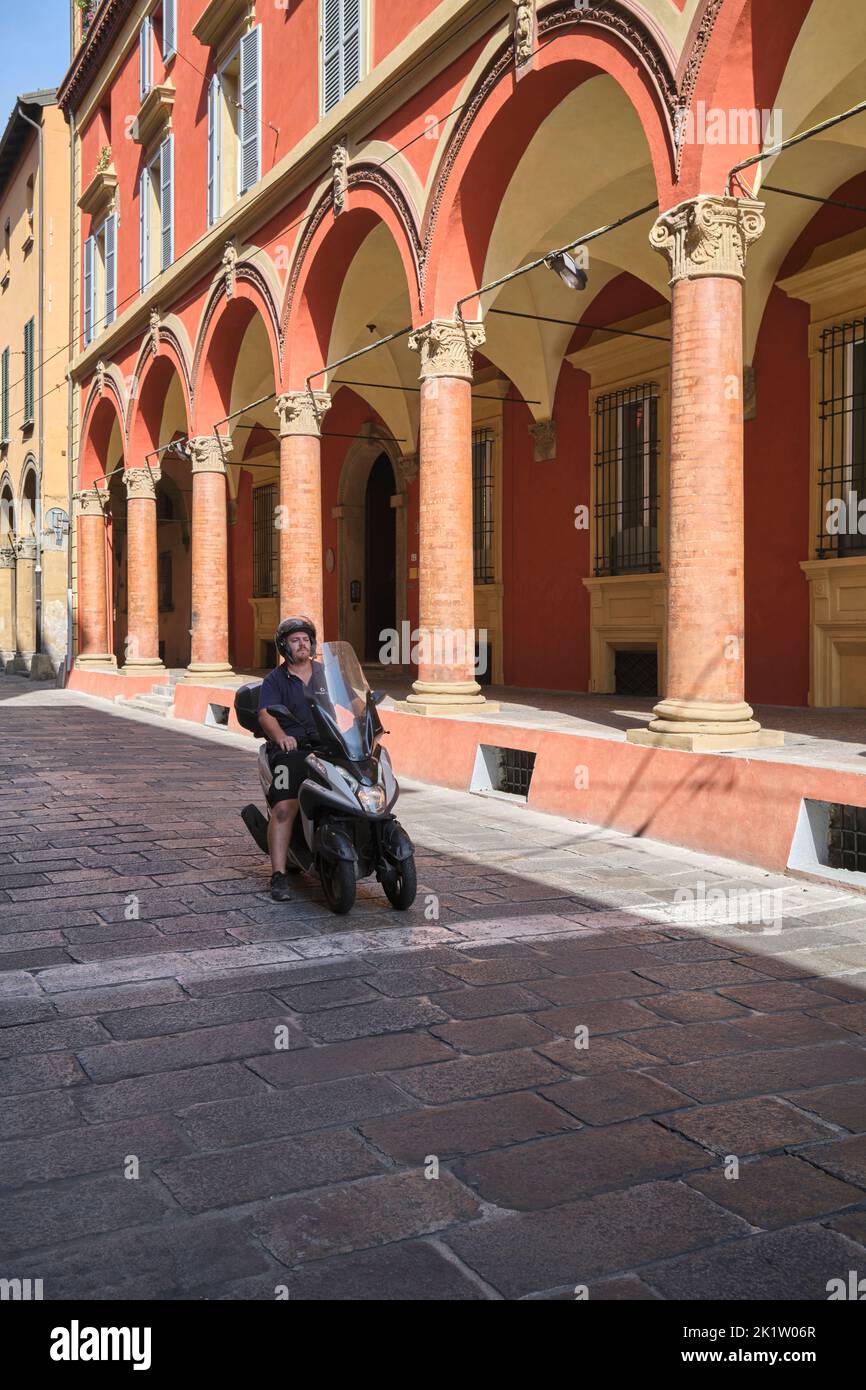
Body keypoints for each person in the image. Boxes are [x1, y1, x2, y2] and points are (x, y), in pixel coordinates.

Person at [257, 616, 328, 901]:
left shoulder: (325, 673)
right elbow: (265, 714)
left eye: (306, 639)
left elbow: (353, 702)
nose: (302, 644)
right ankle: (278, 875)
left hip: (327, 747)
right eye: (296, 640)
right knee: (285, 806)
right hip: (290, 752)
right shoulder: (276, 679)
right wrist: (280, 736)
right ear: (284, 646)